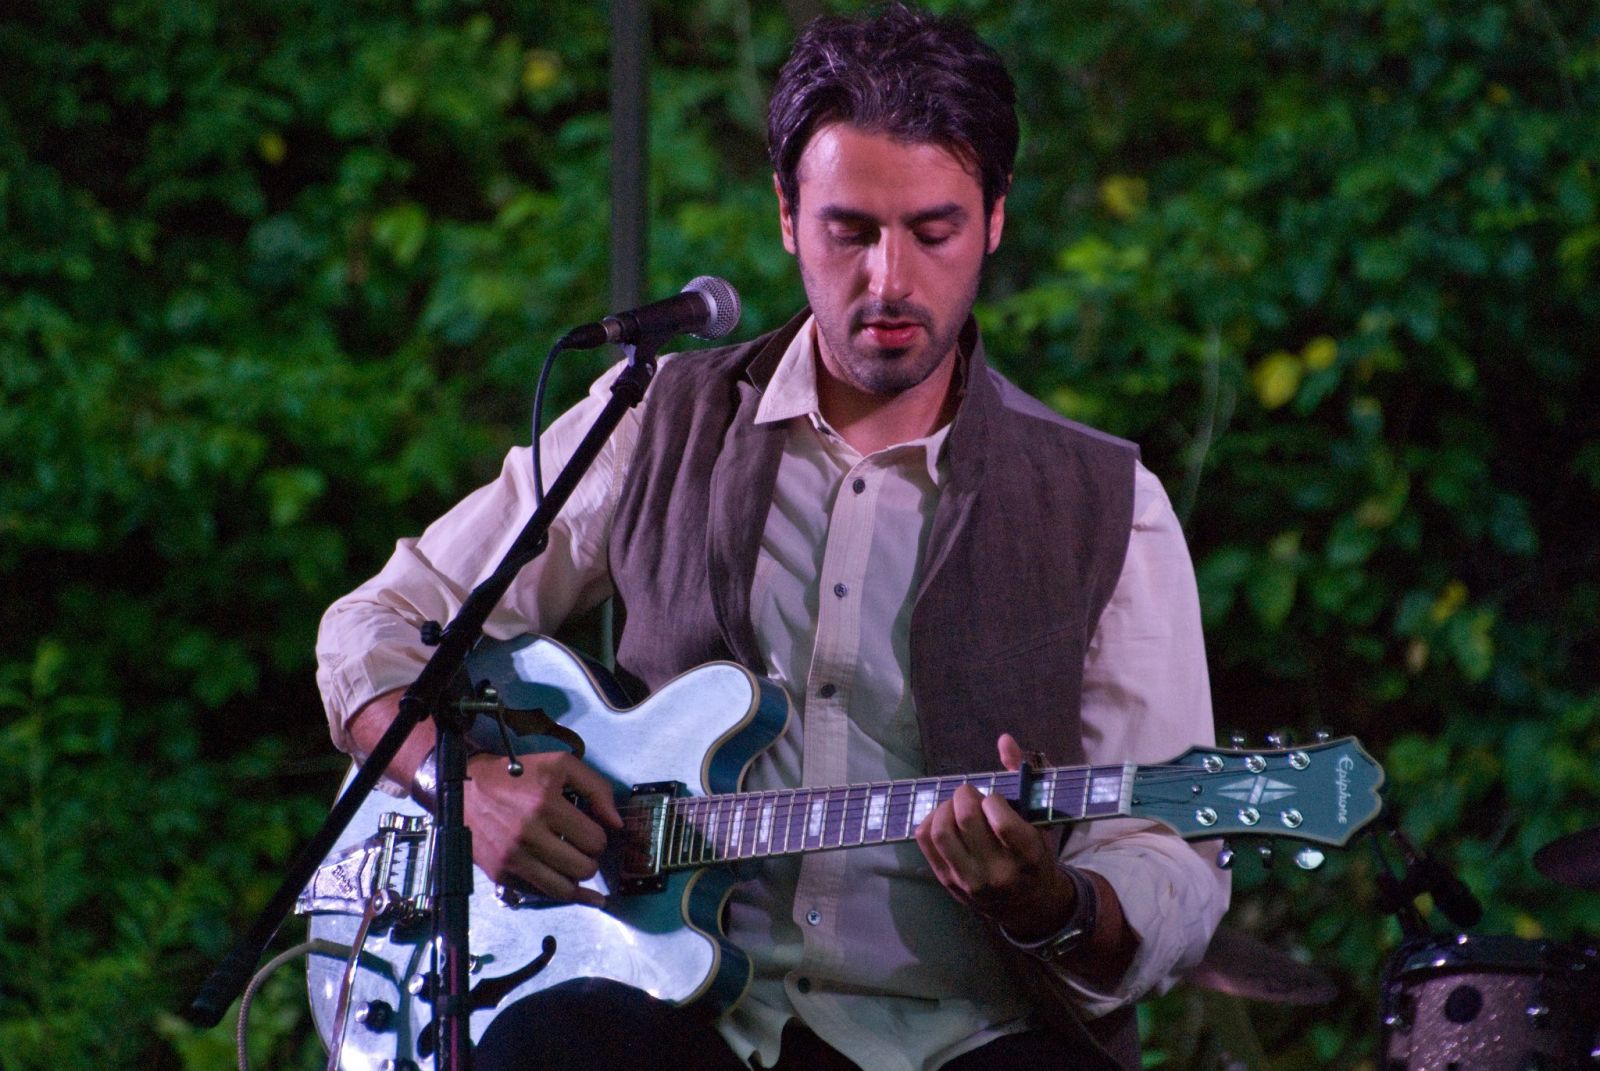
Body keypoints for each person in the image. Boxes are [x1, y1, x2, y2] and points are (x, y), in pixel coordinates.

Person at [316, 5, 1228, 1070]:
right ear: (788, 217)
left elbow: (1169, 854)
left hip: (971, 1033)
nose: (888, 281)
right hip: (680, 1017)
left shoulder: (1110, 499)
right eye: (849, 230)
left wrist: (1057, 902)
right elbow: (378, 621)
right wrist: (458, 783)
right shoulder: (655, 417)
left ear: (995, 223)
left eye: (932, 232)